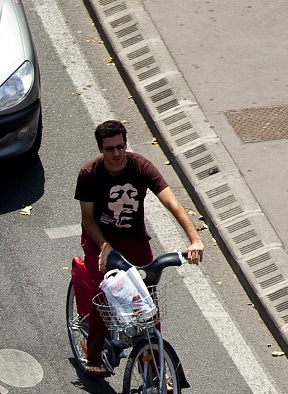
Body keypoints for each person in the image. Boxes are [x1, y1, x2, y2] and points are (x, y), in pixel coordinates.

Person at [74, 118, 205, 375]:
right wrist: (104, 246)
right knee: (106, 295)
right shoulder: (89, 174)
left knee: (148, 306)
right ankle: (93, 357)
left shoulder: (140, 167)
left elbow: (173, 204)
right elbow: (88, 220)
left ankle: (156, 371)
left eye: (121, 146)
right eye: (110, 148)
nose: (117, 153)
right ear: (101, 149)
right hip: (100, 240)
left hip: (134, 241)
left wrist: (195, 239)